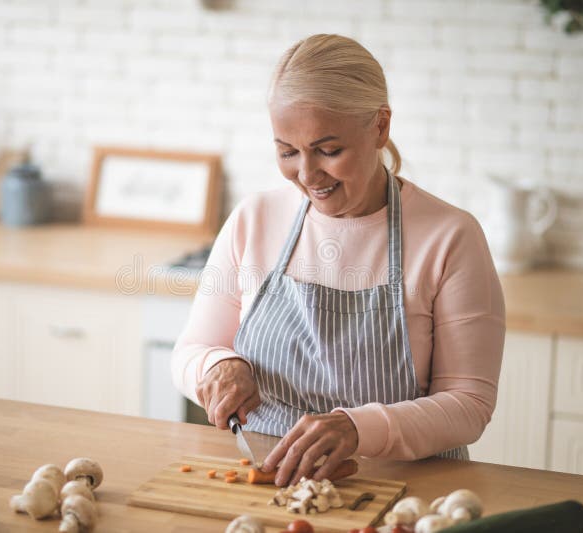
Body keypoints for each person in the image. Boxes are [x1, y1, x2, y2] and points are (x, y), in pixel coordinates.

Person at [171, 34, 505, 487]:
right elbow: (189, 352)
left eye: (329, 150)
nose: (307, 175)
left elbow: (469, 404)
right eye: (287, 152)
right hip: (266, 485)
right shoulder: (256, 218)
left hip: (404, 493)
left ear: (380, 127)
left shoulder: (450, 237)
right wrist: (215, 367)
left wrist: (356, 428)